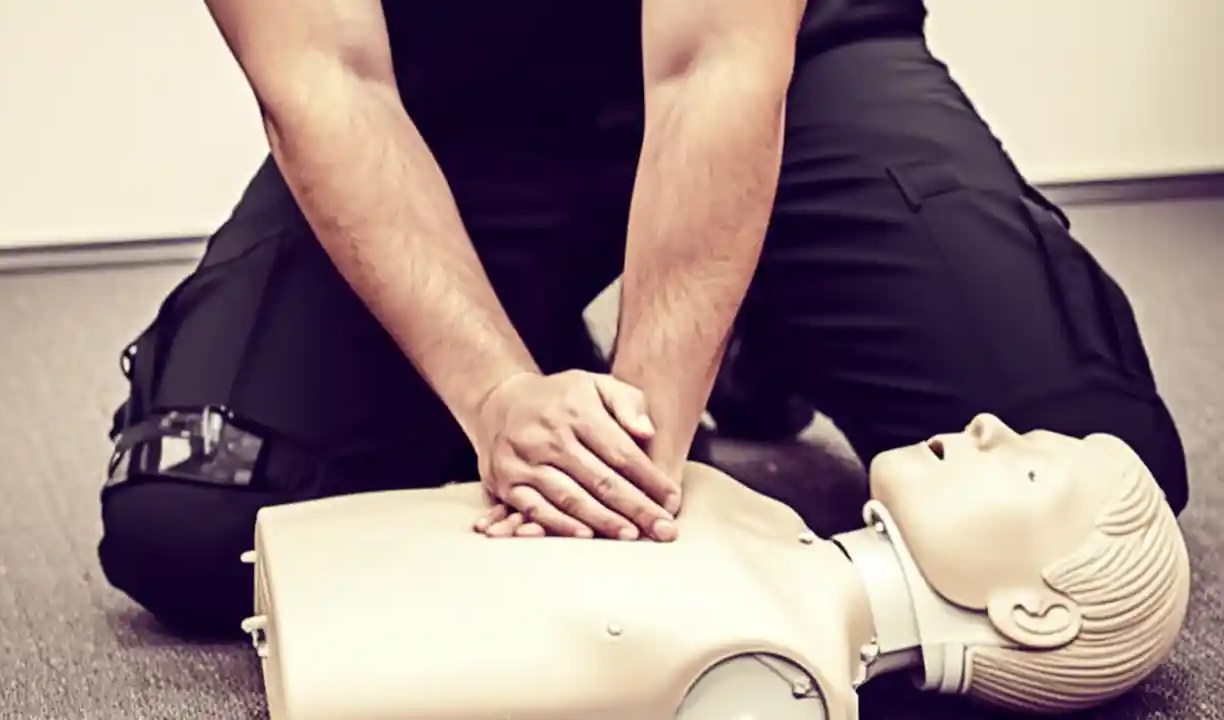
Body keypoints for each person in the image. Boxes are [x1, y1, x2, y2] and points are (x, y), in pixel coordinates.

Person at [97, 0, 1190, 637]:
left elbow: (712, 61)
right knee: (193, 533)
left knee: (1089, 481)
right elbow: (325, 75)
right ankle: (532, 339)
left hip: (787, 72)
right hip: (434, 110)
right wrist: (495, 396)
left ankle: (760, 322)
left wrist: (636, 448)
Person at [239, 414, 1191, 719]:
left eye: (1026, 462)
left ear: (1029, 611)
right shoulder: (764, 522)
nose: (987, 423)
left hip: (341, 653)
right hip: (330, 578)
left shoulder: (785, 672)